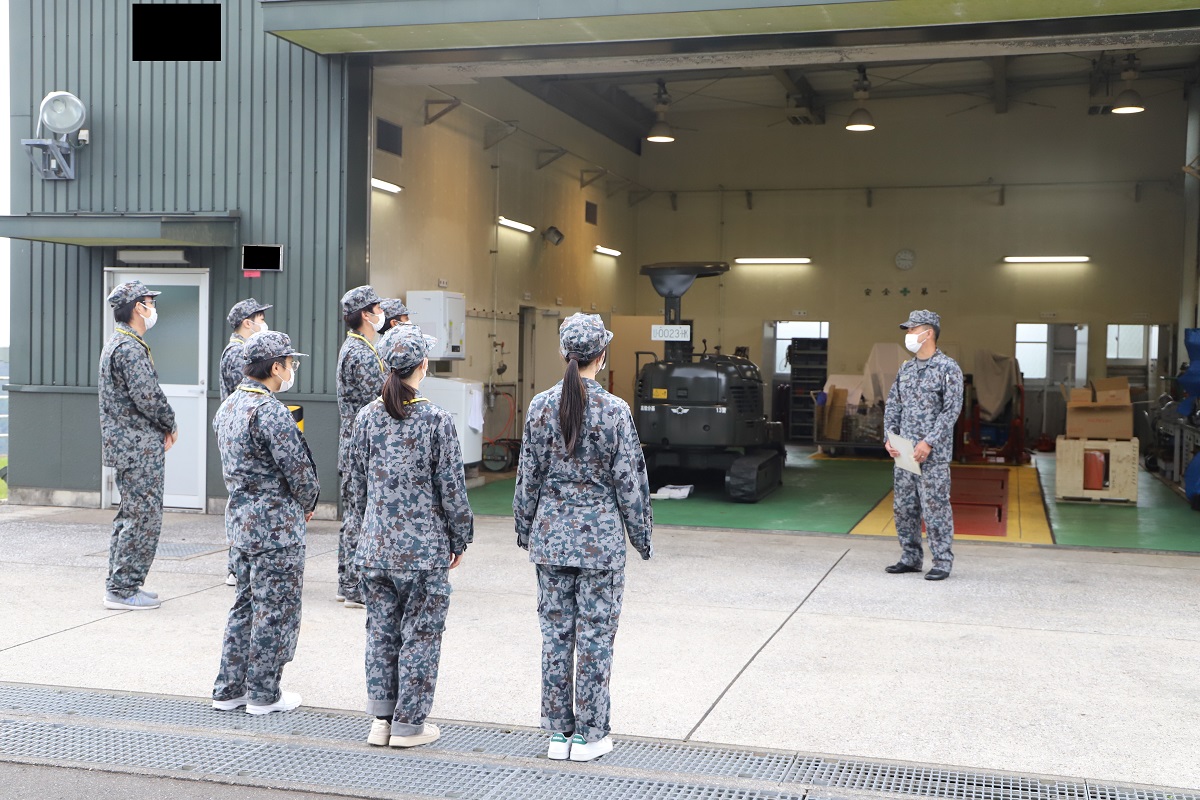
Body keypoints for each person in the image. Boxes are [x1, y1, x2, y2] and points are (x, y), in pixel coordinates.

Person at [513, 313, 653, 763]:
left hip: (551, 540)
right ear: (602, 355)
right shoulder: (615, 410)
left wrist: (524, 526)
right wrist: (641, 536)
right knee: (595, 638)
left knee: (556, 636)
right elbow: (630, 482)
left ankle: (559, 734)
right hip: (600, 546)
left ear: (563, 354)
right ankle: (590, 735)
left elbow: (527, 476)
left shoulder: (539, 406)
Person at [347, 324, 474, 748]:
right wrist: (459, 538)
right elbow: (452, 490)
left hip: (375, 547)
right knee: (421, 634)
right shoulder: (436, 420)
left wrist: (365, 532)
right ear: (423, 365)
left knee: (381, 632)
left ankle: (380, 720)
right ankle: (409, 725)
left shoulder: (366, 417)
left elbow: (356, 486)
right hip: (423, 552)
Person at [211, 331, 319, 715]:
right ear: (275, 367)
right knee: (276, 610)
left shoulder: (229, 406)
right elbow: (300, 472)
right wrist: (307, 503)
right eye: (290, 363)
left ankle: (229, 689)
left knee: (244, 606)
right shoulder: (269, 411)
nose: (292, 369)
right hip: (276, 528)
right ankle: (264, 693)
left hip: (241, 524)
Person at [98, 281, 178, 611]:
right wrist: (170, 423)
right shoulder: (129, 348)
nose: (152, 307)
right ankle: (123, 589)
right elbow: (148, 397)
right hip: (138, 447)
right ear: (136, 308)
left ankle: (121, 584)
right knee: (143, 518)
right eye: (148, 301)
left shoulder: (121, 343)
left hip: (130, 446)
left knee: (130, 515)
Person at [883, 310, 964, 581]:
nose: (908, 334)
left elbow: (951, 410)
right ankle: (910, 557)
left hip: (932, 455)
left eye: (912, 329)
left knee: (935, 508)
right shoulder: (906, 369)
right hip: (904, 451)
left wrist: (929, 442)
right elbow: (893, 404)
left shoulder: (947, 368)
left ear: (928, 333)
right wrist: (889, 437)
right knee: (904, 507)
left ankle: (942, 561)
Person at [336, 285, 387, 609]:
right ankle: (354, 587)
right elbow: (381, 397)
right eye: (378, 309)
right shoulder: (361, 353)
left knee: (356, 515)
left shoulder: (361, 347)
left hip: (356, 444)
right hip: (361, 447)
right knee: (359, 516)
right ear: (366, 315)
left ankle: (348, 583)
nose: (382, 314)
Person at [219, 298, 273, 587]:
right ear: (247, 323)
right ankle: (236, 567)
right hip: (240, 435)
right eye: (260, 318)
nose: (263, 322)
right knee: (242, 499)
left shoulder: (242, 350)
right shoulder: (237, 353)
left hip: (243, 432)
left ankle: (240, 564)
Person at [220, 298, 272, 401]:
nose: (264, 324)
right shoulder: (239, 352)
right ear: (248, 323)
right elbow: (248, 396)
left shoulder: (243, 349)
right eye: (262, 320)